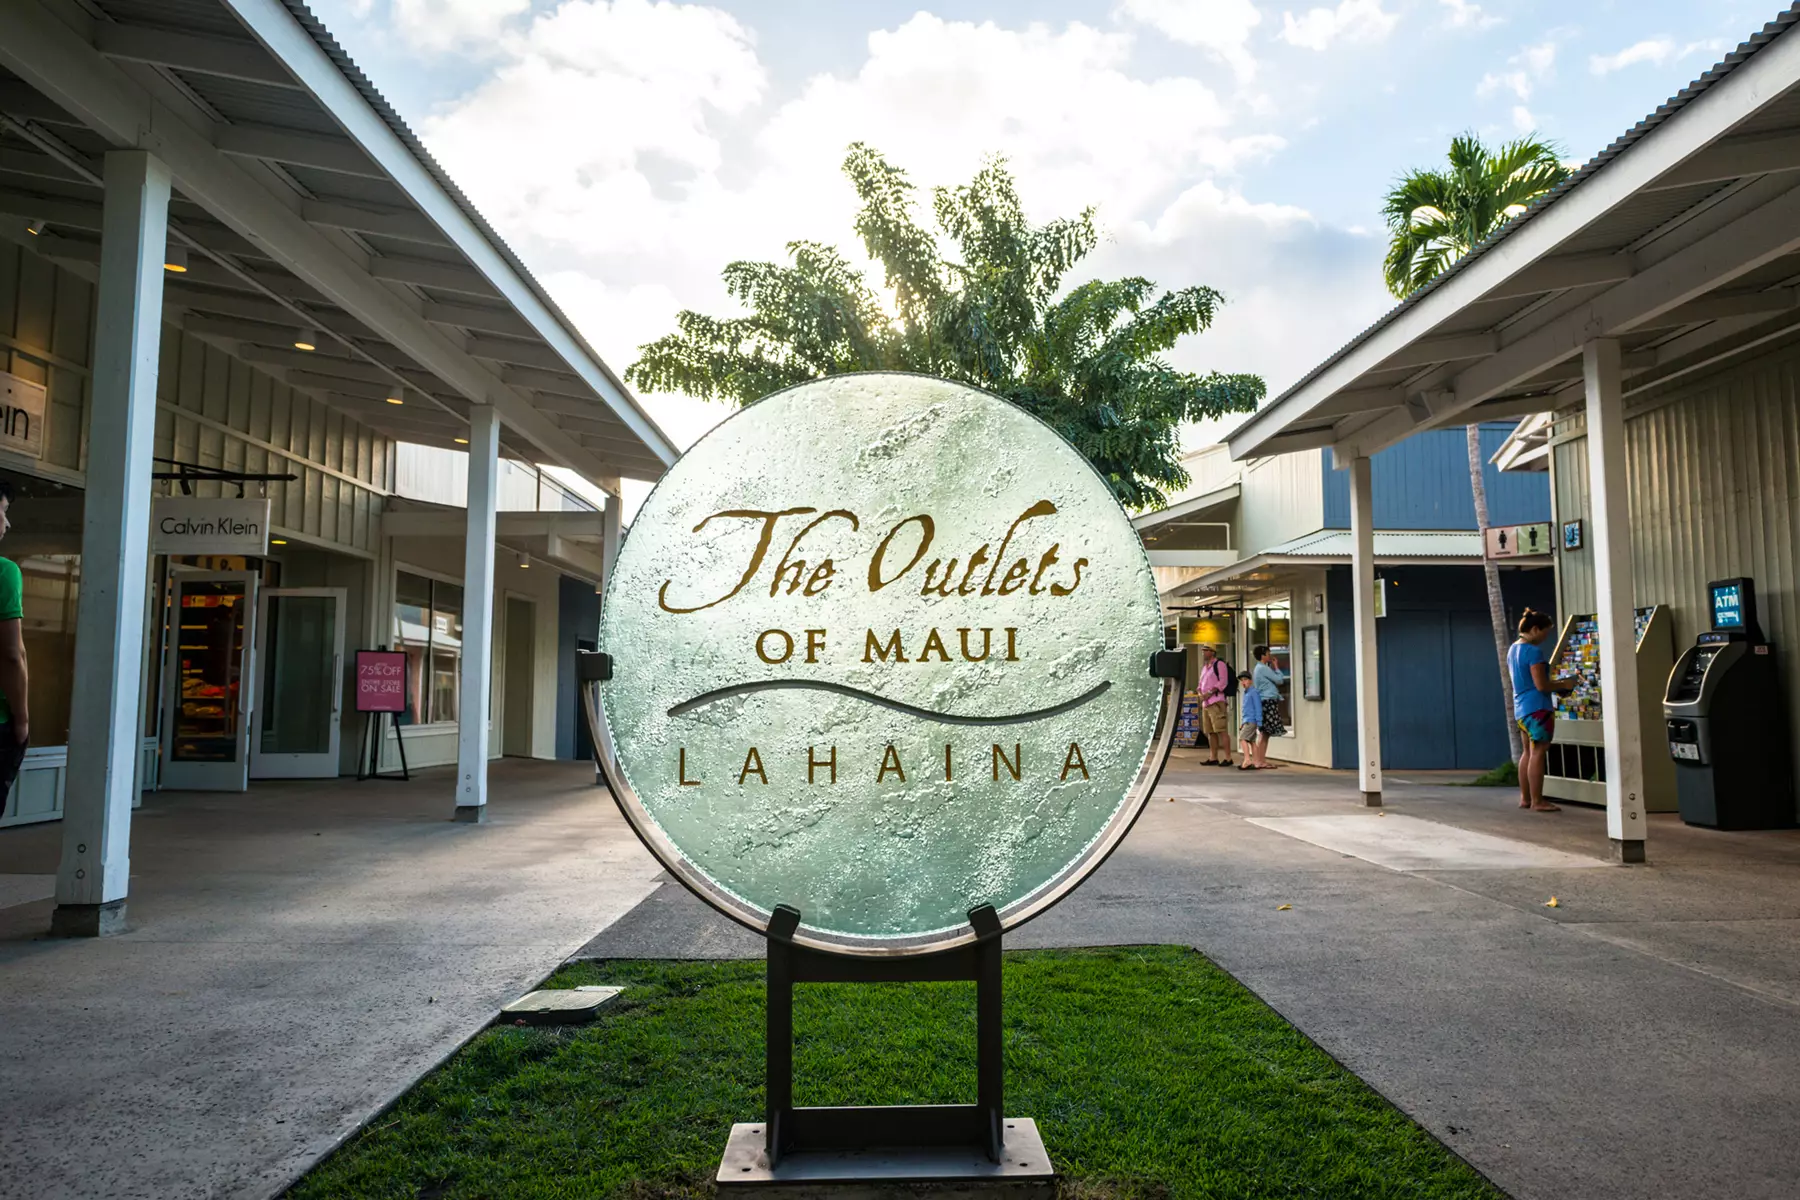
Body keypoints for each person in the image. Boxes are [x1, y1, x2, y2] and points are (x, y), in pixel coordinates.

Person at [1509, 609, 1574, 813]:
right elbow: (1542, 685)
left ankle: (1525, 798)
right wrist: (1565, 684)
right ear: (1535, 629)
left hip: (1521, 708)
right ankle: (1538, 801)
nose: (1546, 637)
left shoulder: (1513, 649)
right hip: (1538, 708)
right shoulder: (1533, 652)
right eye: (1545, 632)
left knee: (1527, 752)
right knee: (1539, 752)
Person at [0, 480, 27, 809]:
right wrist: (22, 719)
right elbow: (10, 654)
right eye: (3, 512)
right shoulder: (5, 573)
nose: (7, 523)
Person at [1250, 644, 1288, 769]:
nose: (1270, 655)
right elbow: (1279, 680)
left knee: (1264, 732)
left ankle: (1260, 760)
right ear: (1263, 655)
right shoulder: (1263, 668)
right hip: (1267, 701)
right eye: (1267, 653)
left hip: (1263, 701)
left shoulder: (1258, 668)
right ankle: (1260, 760)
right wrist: (1276, 667)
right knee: (1265, 732)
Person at [1197, 644, 1233, 766]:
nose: (1203, 653)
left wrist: (1210, 692)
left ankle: (1228, 758)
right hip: (1206, 703)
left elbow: (1223, 682)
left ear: (1212, 652)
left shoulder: (1219, 665)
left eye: (1206, 650)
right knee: (1210, 731)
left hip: (1216, 701)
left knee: (1221, 729)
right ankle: (1213, 757)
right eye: (1203, 650)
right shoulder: (1204, 668)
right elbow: (1200, 683)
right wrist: (1200, 693)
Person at [1235, 671, 1262, 770]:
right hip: (1247, 720)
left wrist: (1259, 722)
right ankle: (1256, 762)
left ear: (1250, 681)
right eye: (1241, 680)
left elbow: (1258, 707)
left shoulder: (1253, 692)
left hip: (1251, 720)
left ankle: (1247, 760)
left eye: (1245, 680)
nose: (1243, 682)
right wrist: (1242, 723)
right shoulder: (1246, 693)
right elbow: (1245, 710)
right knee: (1251, 741)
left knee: (1242, 739)